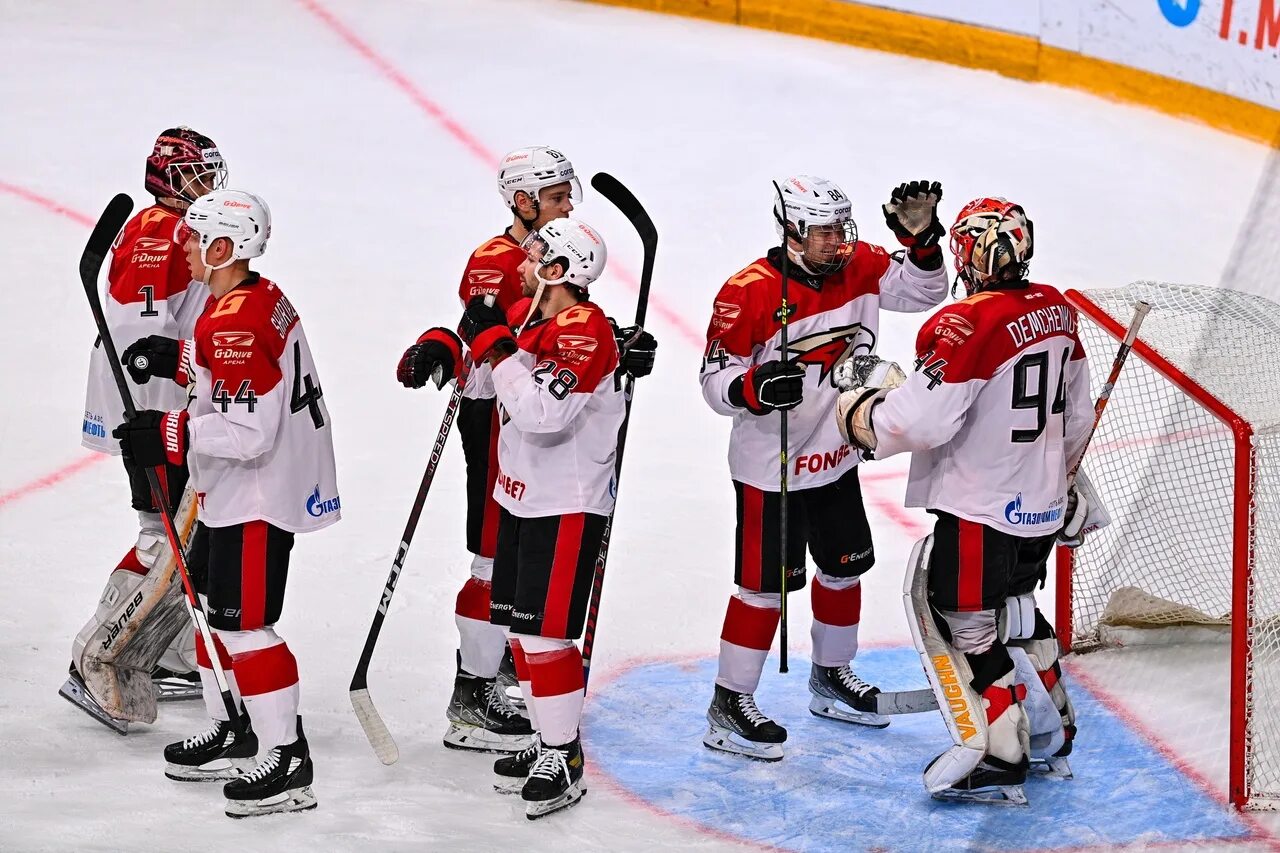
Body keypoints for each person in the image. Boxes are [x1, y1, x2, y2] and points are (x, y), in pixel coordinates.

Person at [396, 147, 653, 754]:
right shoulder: (497, 262)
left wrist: (618, 345)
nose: (567, 204)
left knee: (524, 587)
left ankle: (527, 675)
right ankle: (478, 688)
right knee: (492, 565)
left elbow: (552, 336)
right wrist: (447, 343)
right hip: (496, 427)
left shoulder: (559, 266)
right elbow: (492, 340)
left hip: (536, 428)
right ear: (523, 201)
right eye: (558, 196)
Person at [834, 197, 1090, 804]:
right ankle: (1058, 724)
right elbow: (1075, 416)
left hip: (981, 507)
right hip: (1042, 502)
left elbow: (923, 422)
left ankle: (1004, 750)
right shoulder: (1058, 308)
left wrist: (864, 412)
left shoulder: (965, 322)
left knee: (966, 620)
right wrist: (1062, 476)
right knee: (1017, 605)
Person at [697, 176, 948, 761]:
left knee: (844, 570)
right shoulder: (748, 293)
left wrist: (924, 242)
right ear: (790, 231)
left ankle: (831, 677)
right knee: (763, 591)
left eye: (841, 229)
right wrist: (752, 387)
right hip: (771, 469)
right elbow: (714, 381)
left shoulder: (858, 264)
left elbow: (922, 293)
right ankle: (728, 704)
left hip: (834, 457)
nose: (838, 242)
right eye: (823, 232)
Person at [113, 188, 339, 818]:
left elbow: (249, 430)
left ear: (221, 247)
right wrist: (179, 358)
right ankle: (238, 726)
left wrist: (168, 431)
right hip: (232, 490)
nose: (181, 247)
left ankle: (287, 759)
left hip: (256, 493)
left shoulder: (234, 320)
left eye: (192, 238)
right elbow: (231, 369)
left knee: (247, 626)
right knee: (213, 610)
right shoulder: (249, 298)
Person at [456, 217, 638, 819]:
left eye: (536, 256)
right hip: (520, 498)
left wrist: (496, 347)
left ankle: (563, 752)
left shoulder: (583, 331)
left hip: (566, 507)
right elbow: (492, 367)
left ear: (560, 270)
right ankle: (546, 737)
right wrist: (452, 338)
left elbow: (541, 413)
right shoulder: (534, 321)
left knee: (545, 635)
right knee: (520, 630)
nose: (524, 262)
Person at [62, 126, 228, 732]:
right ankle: (96, 657)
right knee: (164, 535)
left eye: (211, 174)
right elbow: (139, 338)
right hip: (152, 402)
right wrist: (164, 416)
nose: (207, 187)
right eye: (194, 177)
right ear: (165, 176)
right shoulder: (162, 232)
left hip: (169, 399)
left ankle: (166, 648)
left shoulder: (181, 226)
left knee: (189, 528)